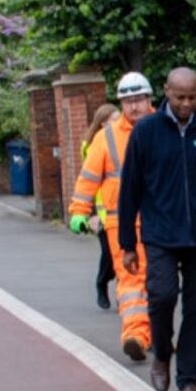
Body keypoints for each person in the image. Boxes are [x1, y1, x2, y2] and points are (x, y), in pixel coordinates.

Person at [116, 68, 196, 391]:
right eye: (179, 97)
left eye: (191, 97)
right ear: (166, 92)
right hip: (161, 234)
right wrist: (128, 242)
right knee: (163, 295)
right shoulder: (147, 132)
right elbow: (130, 189)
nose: (185, 104)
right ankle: (162, 354)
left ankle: (188, 379)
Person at [67, 73, 156, 360]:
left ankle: (155, 334)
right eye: (128, 101)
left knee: (161, 283)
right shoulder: (105, 139)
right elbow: (88, 177)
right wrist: (79, 211)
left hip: (163, 221)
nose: (134, 107)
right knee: (132, 282)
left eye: (139, 100)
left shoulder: (165, 129)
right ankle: (135, 335)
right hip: (123, 223)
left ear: (149, 99)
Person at [79, 102, 121, 309]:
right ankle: (102, 283)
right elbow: (89, 181)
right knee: (109, 255)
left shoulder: (125, 139)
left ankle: (124, 295)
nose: (119, 123)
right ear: (103, 123)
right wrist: (91, 214)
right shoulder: (93, 146)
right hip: (103, 212)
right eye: (115, 119)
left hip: (123, 210)